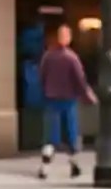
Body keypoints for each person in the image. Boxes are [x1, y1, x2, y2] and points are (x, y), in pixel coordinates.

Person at [37, 24, 97, 180]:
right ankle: (74, 166)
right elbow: (80, 80)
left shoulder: (48, 56)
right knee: (71, 134)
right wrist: (88, 96)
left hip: (51, 99)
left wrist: (45, 92)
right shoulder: (71, 58)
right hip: (69, 100)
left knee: (51, 136)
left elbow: (42, 77)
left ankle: (45, 169)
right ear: (68, 38)